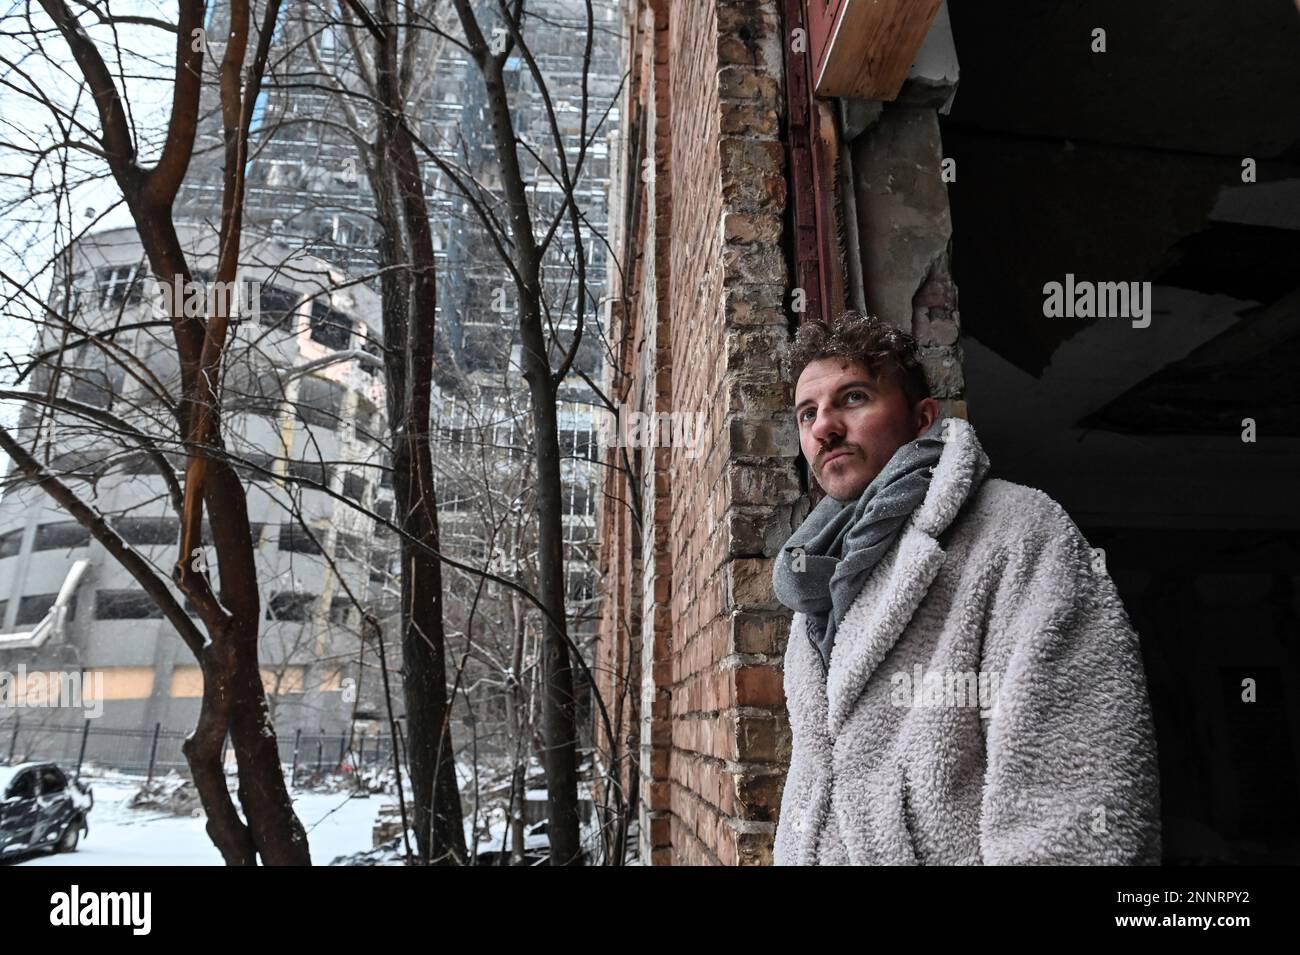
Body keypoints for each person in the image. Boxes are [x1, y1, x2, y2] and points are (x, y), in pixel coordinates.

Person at [771, 311, 1161, 865]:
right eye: (808, 412)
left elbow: (1074, 786)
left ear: (923, 418)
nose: (823, 427)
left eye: (852, 398)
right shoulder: (817, 586)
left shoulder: (1017, 530)